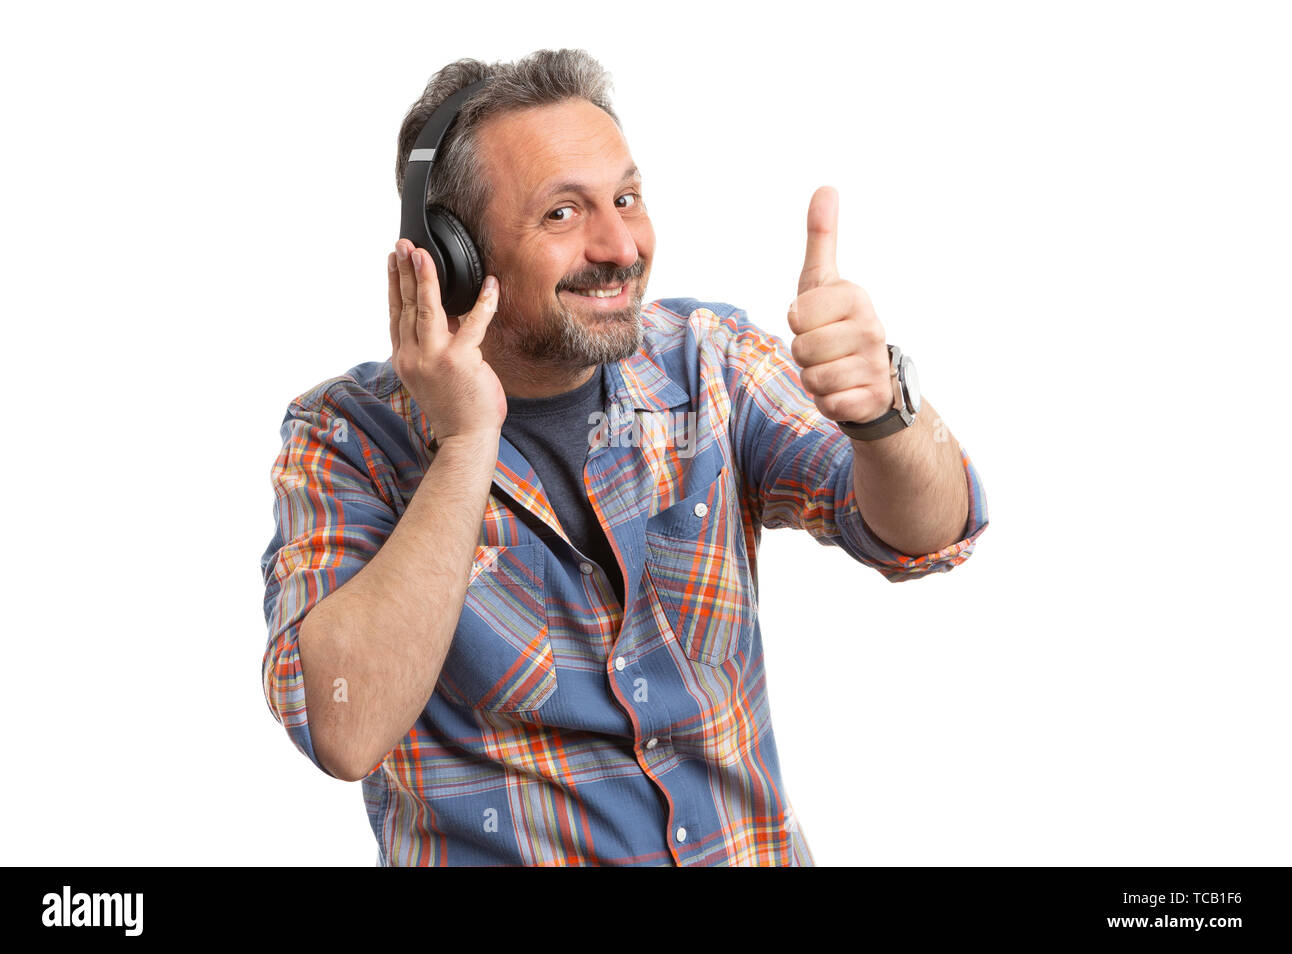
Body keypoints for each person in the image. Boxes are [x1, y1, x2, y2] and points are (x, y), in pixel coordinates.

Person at [259, 48, 989, 866]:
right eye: (563, 214)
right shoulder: (345, 437)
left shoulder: (706, 362)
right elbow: (343, 725)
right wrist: (466, 446)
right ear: (452, 253)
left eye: (627, 199)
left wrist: (883, 417)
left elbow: (930, 532)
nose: (620, 245)